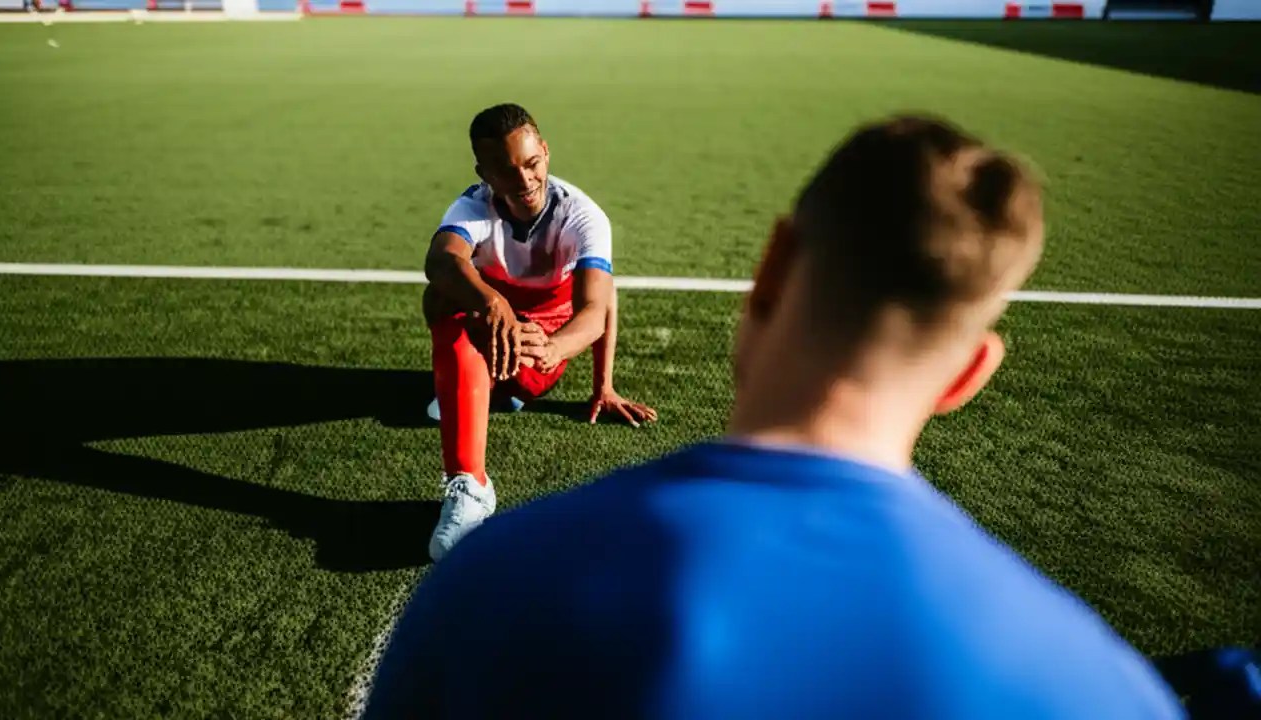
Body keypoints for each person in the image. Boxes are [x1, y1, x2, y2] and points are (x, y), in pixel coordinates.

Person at [363, 115, 1183, 718]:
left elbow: (588, 309)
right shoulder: (1099, 684)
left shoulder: (493, 584)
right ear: (968, 375)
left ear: (769, 268)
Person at [423, 103, 656, 561]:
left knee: (485, 332)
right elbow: (440, 261)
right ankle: (471, 485)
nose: (525, 180)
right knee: (441, 296)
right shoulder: (473, 205)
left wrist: (581, 368)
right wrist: (494, 302)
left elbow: (597, 306)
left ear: (545, 152)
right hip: (496, 324)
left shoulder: (583, 215)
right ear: (484, 172)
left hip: (541, 345)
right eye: (506, 172)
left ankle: (477, 387)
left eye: (532, 164)